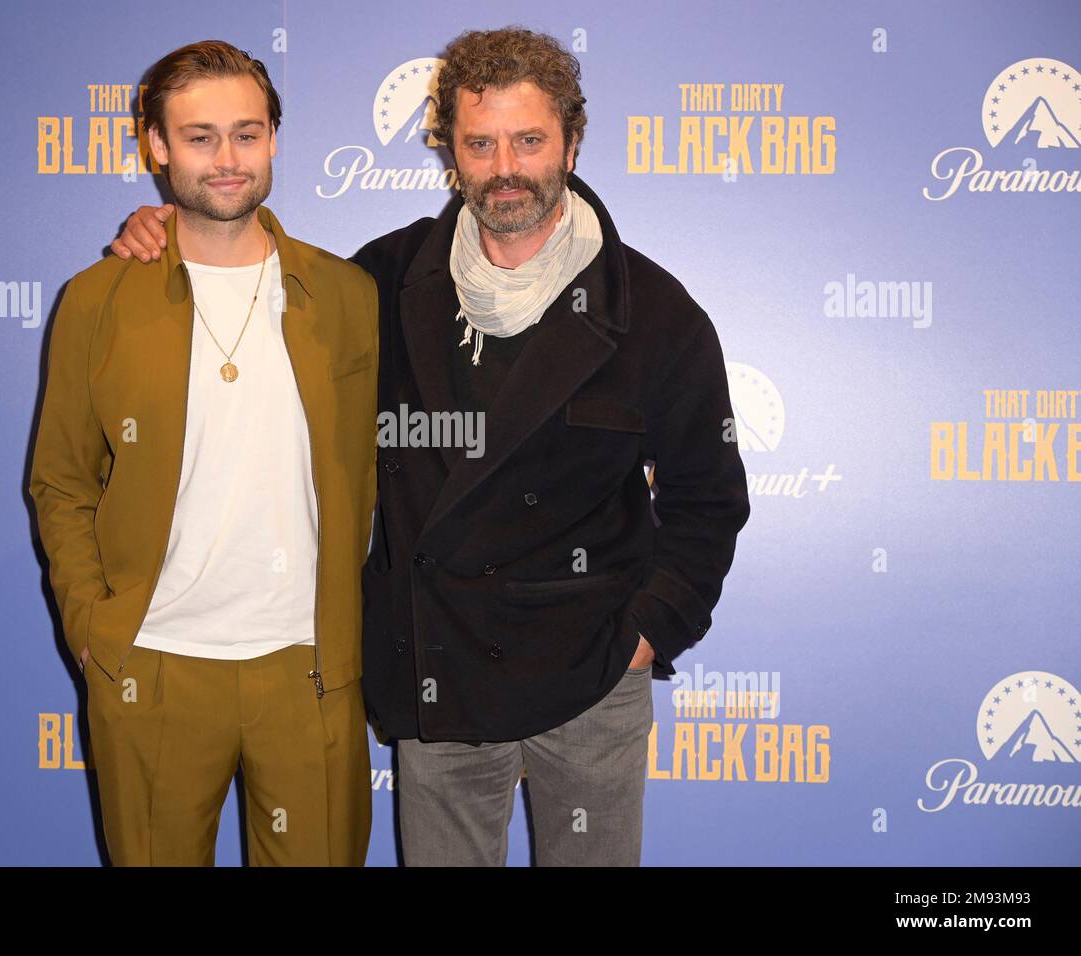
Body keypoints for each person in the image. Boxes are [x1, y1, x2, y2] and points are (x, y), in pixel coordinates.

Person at [108, 27, 749, 866]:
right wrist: (167, 230)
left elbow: (709, 499)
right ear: (450, 149)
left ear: (572, 140)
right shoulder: (384, 279)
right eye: (479, 143)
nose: (505, 167)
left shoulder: (654, 312)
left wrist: (646, 635)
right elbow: (260, 283)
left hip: (593, 679)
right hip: (441, 673)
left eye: (529, 140)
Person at [28, 40, 378, 866]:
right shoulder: (98, 299)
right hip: (151, 667)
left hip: (311, 671)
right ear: (156, 146)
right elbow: (61, 480)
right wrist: (92, 630)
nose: (227, 160)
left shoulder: (347, 294)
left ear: (275, 141)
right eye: (200, 137)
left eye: (247, 134)